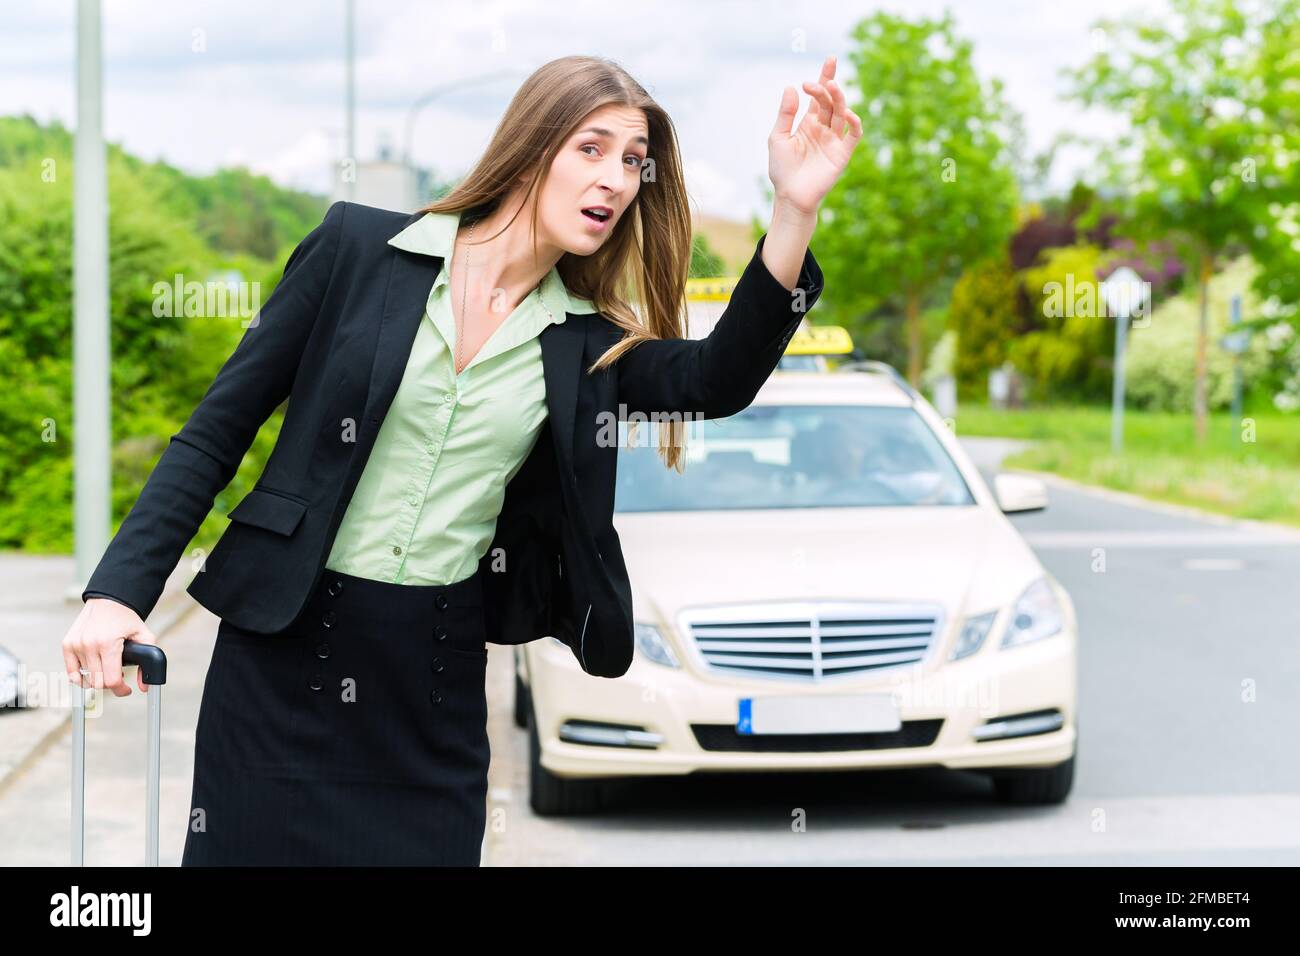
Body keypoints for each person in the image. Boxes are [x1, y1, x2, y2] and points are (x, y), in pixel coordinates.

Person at [60, 53, 861, 866]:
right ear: (531, 147)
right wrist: (119, 592)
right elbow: (216, 429)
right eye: (591, 148)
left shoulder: (585, 342)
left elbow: (714, 380)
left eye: (631, 161)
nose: (616, 179)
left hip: (429, 680)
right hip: (283, 658)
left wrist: (794, 209)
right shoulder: (356, 251)